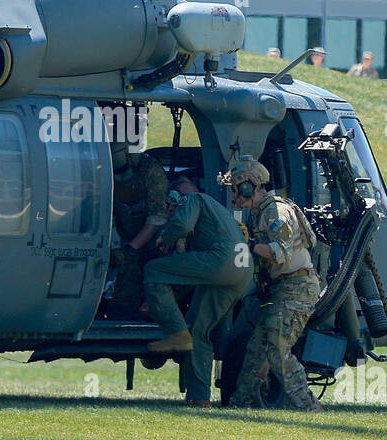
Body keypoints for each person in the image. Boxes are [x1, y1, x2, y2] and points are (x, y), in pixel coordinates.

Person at [143, 178, 253, 408]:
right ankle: (200, 397)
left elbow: (182, 226)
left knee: (153, 270)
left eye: (174, 200)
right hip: (242, 272)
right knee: (200, 332)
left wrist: (165, 236)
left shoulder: (194, 199)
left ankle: (176, 333)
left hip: (221, 261)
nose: (172, 206)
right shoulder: (216, 210)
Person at [222, 160, 323, 412]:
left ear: (249, 187)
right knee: (257, 350)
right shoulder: (260, 212)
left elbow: (281, 252)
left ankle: (310, 408)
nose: (233, 196)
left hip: (297, 287)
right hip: (282, 288)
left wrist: (250, 245)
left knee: (278, 351)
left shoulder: (275, 212)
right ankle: (239, 404)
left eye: (235, 189)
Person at [107, 141, 170, 317]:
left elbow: (158, 217)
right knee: (123, 303)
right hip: (127, 240)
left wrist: (130, 250)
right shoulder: (105, 170)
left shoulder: (150, 171)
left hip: (155, 243)